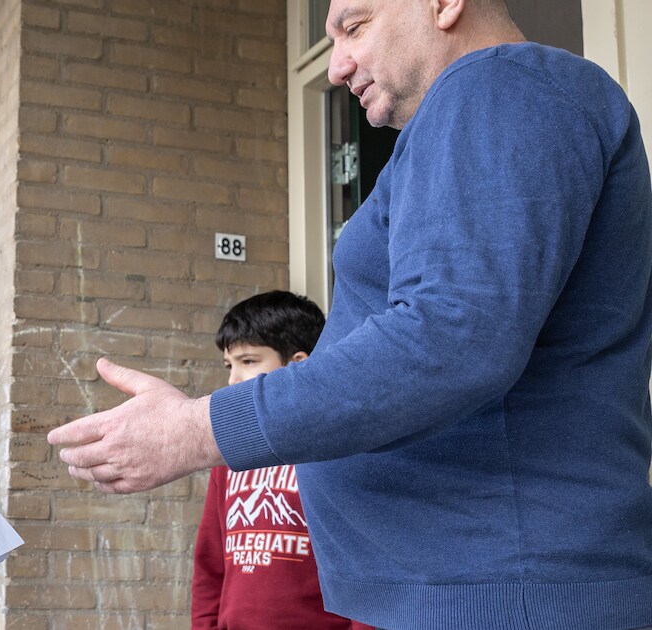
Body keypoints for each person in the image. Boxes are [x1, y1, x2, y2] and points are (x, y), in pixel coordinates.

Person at [49, 0, 652, 628]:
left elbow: (451, 335)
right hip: (472, 587)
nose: (337, 66)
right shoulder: (480, 109)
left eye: (355, 27)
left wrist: (195, 430)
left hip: (502, 592)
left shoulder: (497, 85)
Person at [192, 291, 369, 630]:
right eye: (229, 365)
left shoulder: (341, 453)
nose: (232, 380)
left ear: (298, 364)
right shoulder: (229, 454)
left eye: (249, 361)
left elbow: (364, 569)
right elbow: (210, 562)